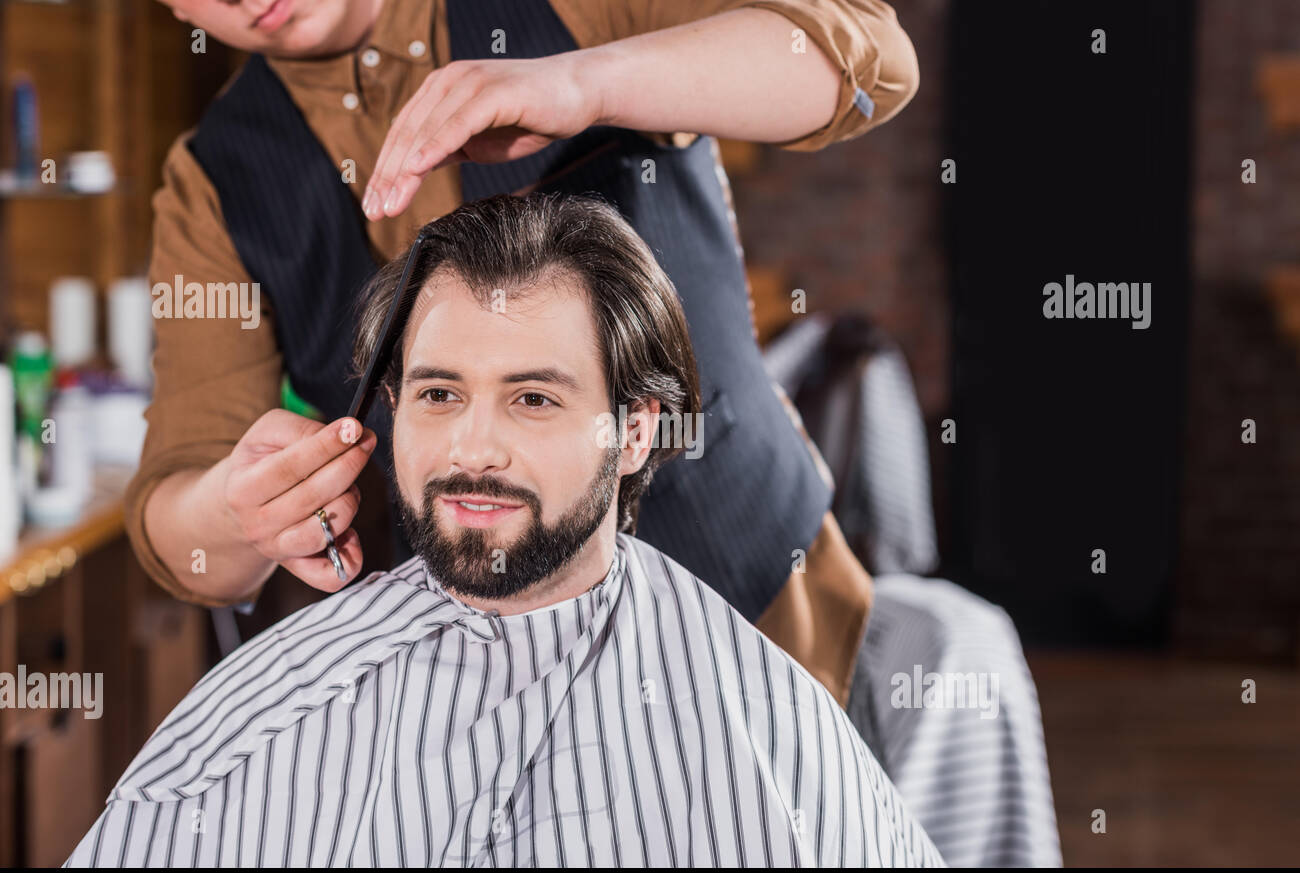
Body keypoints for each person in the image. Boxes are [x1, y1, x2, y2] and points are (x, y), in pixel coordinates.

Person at [65, 193, 943, 868]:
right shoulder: (268, 718)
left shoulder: (762, 721)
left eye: (533, 398)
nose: (472, 447)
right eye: (439, 394)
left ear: (636, 429)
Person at [130, 0, 920, 706]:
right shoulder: (213, 183)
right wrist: (242, 510)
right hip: (493, 685)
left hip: (759, 600)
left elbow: (868, 57)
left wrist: (587, 83)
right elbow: (184, 530)